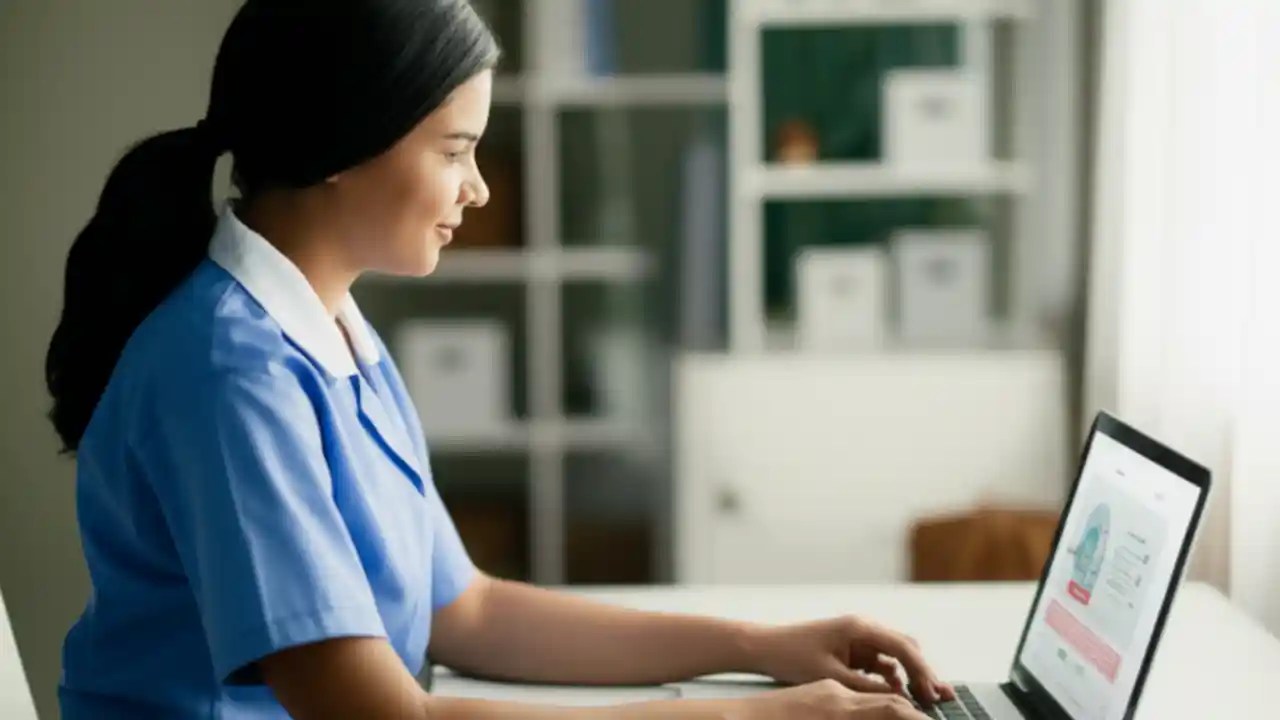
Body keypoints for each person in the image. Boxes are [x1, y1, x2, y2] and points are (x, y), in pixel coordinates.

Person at [43, 1, 955, 718]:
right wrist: (750, 717)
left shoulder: (331, 327)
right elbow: (381, 716)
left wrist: (759, 647)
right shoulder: (230, 371)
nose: (479, 188)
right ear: (341, 143)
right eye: (456, 152)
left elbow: (465, 610)